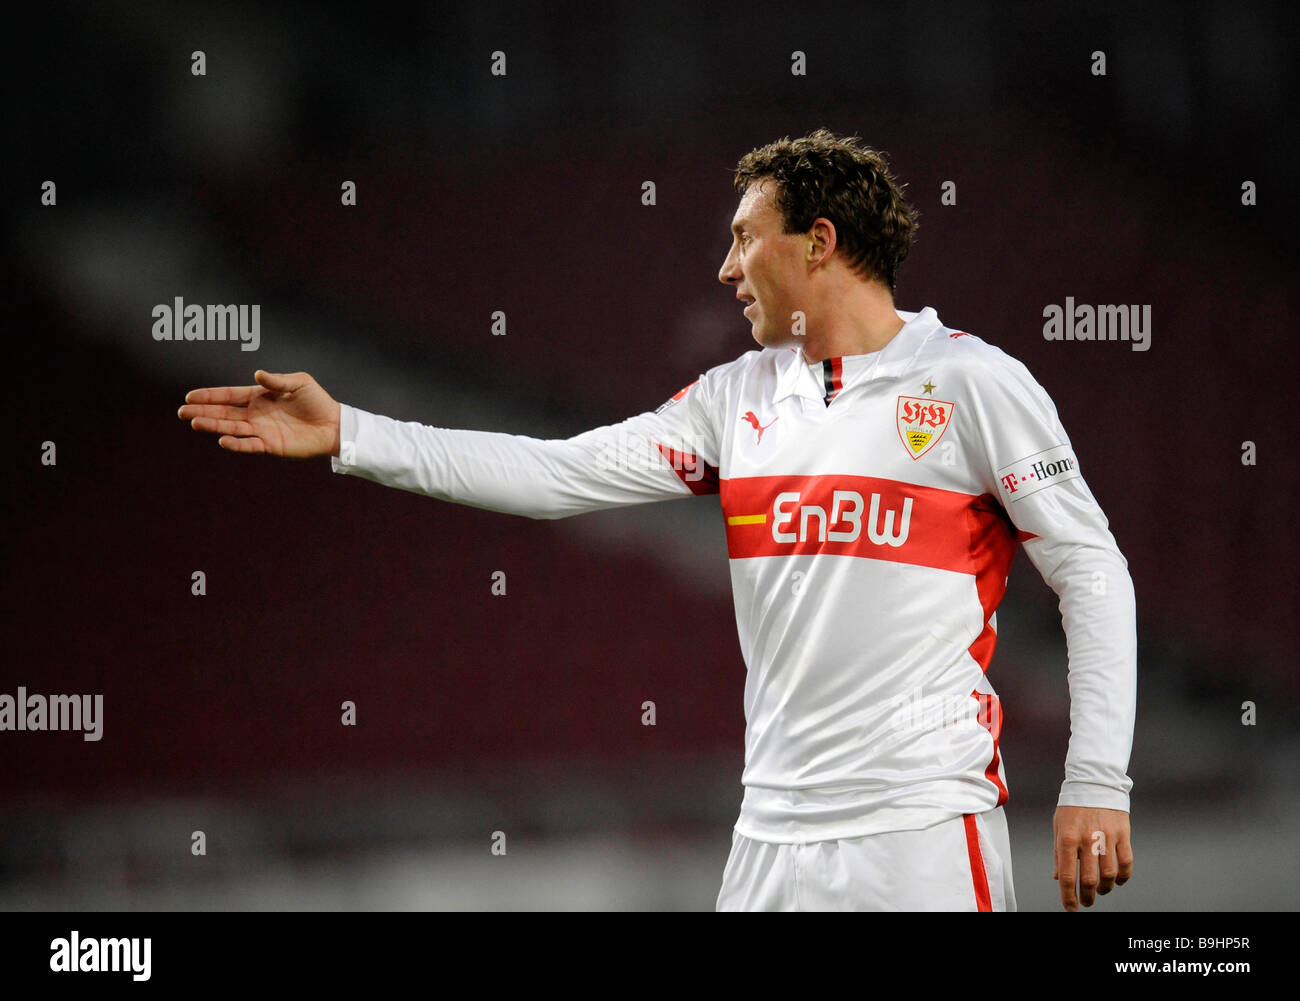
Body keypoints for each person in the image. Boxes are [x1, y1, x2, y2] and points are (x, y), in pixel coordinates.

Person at [178, 129, 1136, 912]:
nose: (725, 268)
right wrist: (353, 431)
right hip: (770, 842)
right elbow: (558, 472)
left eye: (743, 237)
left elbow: (1092, 572)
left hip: (920, 833)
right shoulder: (733, 402)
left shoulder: (973, 384)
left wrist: (1096, 778)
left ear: (819, 241)